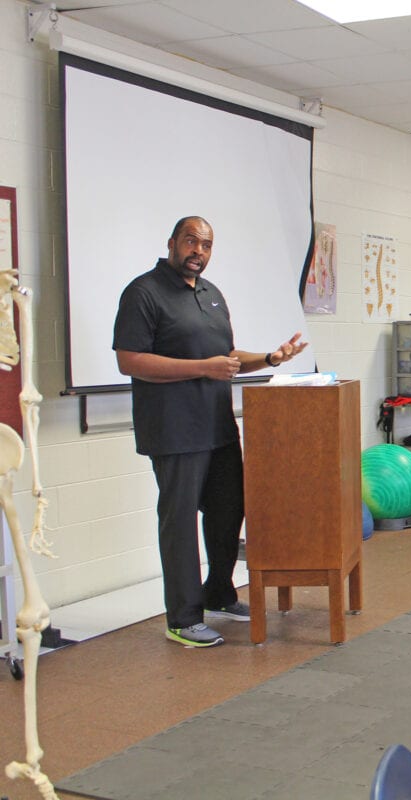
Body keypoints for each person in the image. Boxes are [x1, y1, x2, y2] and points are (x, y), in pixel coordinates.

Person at [113, 216, 307, 648]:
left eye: (206, 244)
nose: (197, 251)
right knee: (180, 523)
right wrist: (203, 368)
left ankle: (218, 592)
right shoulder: (143, 292)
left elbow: (227, 357)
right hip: (174, 431)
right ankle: (182, 619)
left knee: (228, 510)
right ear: (172, 243)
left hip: (218, 426)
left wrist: (272, 358)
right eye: (190, 242)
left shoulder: (211, 294)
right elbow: (129, 360)